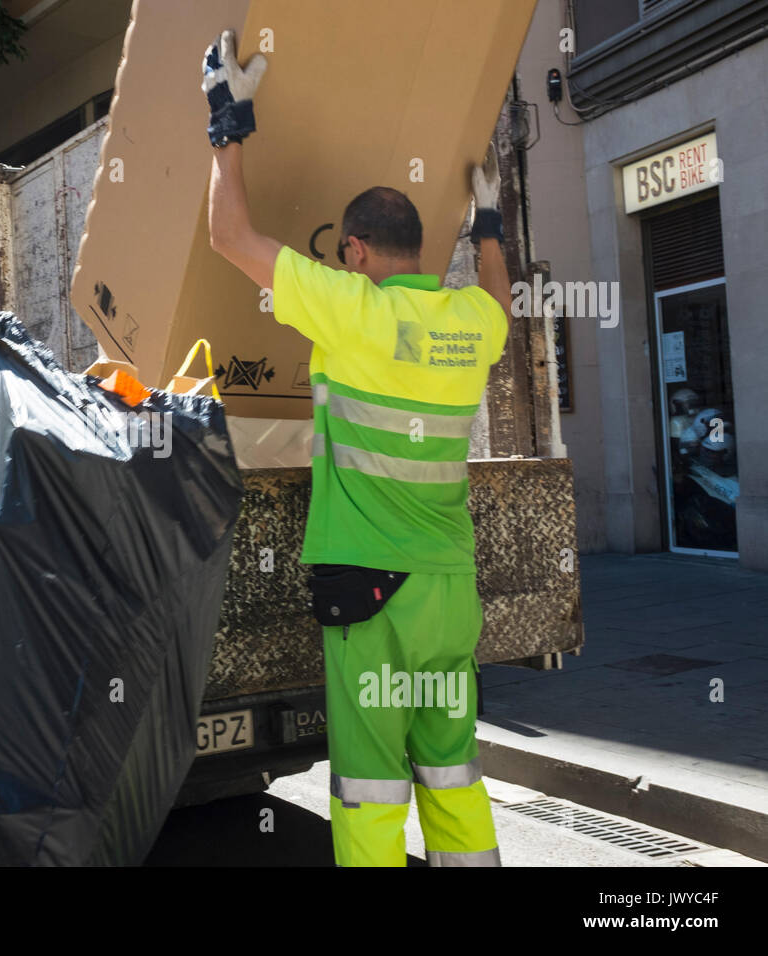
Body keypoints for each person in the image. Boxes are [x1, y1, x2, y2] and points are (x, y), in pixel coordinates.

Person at [202, 30, 512, 867]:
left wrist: (225, 123)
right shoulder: (464, 326)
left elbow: (230, 236)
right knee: (452, 772)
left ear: (358, 252)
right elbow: (498, 301)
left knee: (371, 790)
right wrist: (487, 223)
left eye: (344, 251)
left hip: (372, 592)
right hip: (448, 593)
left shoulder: (354, 308)